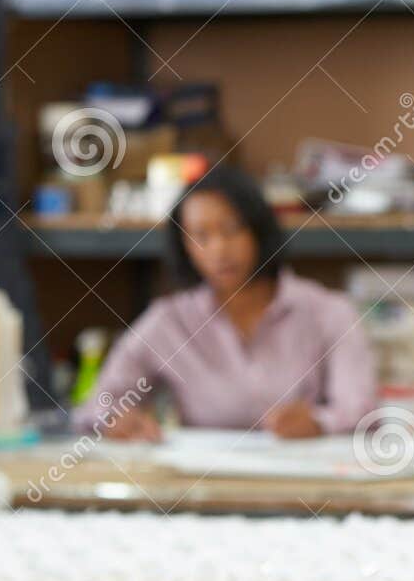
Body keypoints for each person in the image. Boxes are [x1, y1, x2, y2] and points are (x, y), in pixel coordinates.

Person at [76, 165, 377, 441]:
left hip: (309, 488)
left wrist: (318, 421)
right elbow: (97, 405)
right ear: (184, 247)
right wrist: (114, 419)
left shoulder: (328, 311)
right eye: (201, 236)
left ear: (259, 230)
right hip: (199, 488)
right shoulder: (169, 320)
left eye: (232, 230)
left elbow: (361, 409)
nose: (219, 250)